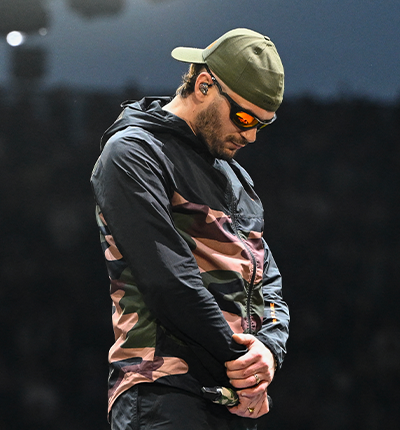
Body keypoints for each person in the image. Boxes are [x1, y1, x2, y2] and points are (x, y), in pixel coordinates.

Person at [90, 28, 290, 430]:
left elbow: (266, 280)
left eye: (262, 125)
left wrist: (268, 351)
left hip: (231, 397)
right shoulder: (134, 152)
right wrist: (244, 366)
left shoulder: (235, 177)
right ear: (203, 86)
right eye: (244, 117)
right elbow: (169, 282)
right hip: (163, 388)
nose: (250, 135)